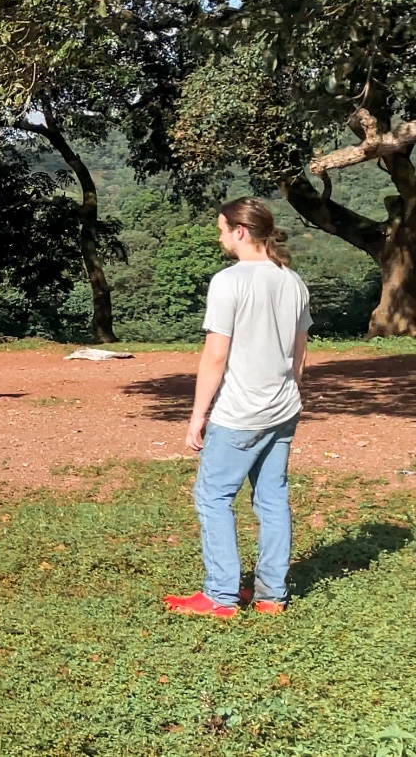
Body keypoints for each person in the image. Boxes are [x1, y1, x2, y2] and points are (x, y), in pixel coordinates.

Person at [165, 198, 310, 618]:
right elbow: (300, 356)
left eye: (222, 230)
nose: (220, 237)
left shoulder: (228, 282)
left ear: (240, 231)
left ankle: (220, 596)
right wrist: (284, 397)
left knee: (213, 497)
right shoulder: (293, 281)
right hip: (283, 409)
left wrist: (197, 416)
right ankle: (271, 597)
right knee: (272, 499)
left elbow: (215, 356)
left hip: (239, 414)